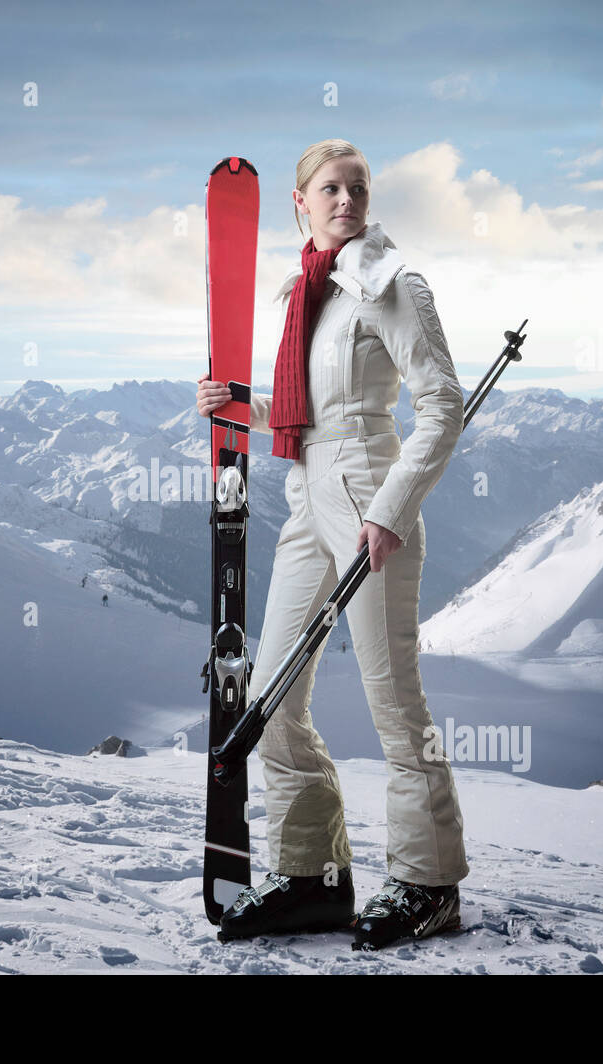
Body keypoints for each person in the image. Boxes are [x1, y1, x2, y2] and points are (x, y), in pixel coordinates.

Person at [195, 139, 467, 951]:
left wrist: (388, 510)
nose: (345, 200)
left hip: (368, 496)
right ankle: (313, 875)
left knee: (395, 703)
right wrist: (233, 397)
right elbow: (307, 404)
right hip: (307, 498)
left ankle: (429, 883)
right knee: (269, 695)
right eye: (330, 189)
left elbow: (442, 403)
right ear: (300, 203)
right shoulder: (306, 292)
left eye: (357, 188)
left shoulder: (393, 284)